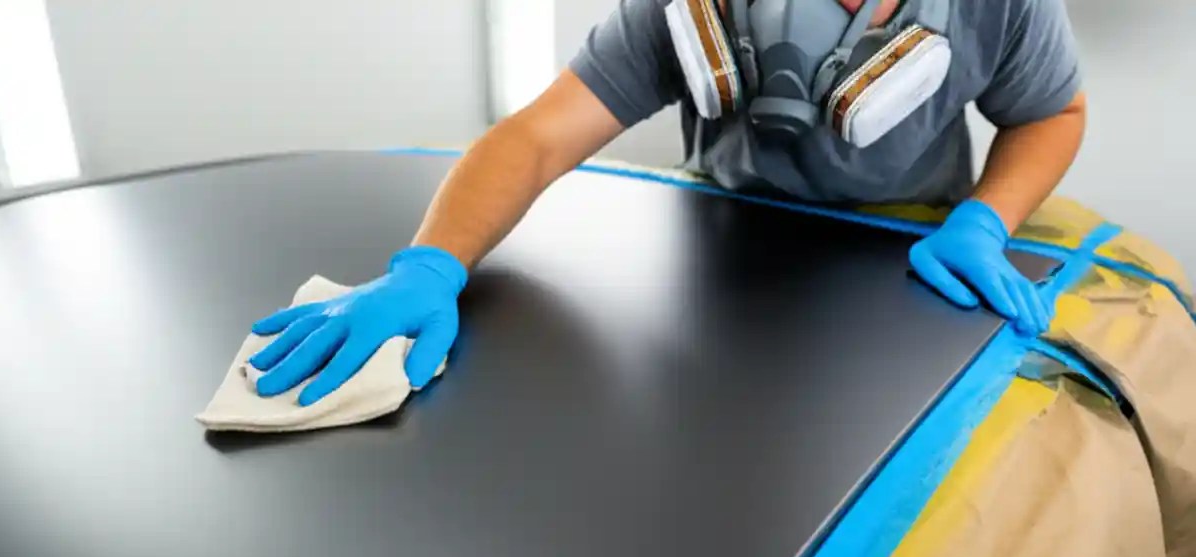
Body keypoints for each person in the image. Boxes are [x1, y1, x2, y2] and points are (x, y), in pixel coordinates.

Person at [250, 0, 1086, 407]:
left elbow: (1053, 112)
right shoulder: (690, 11)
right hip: (726, 266)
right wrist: (429, 265)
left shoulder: (1001, 7)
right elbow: (537, 137)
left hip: (910, 261)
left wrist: (987, 219)